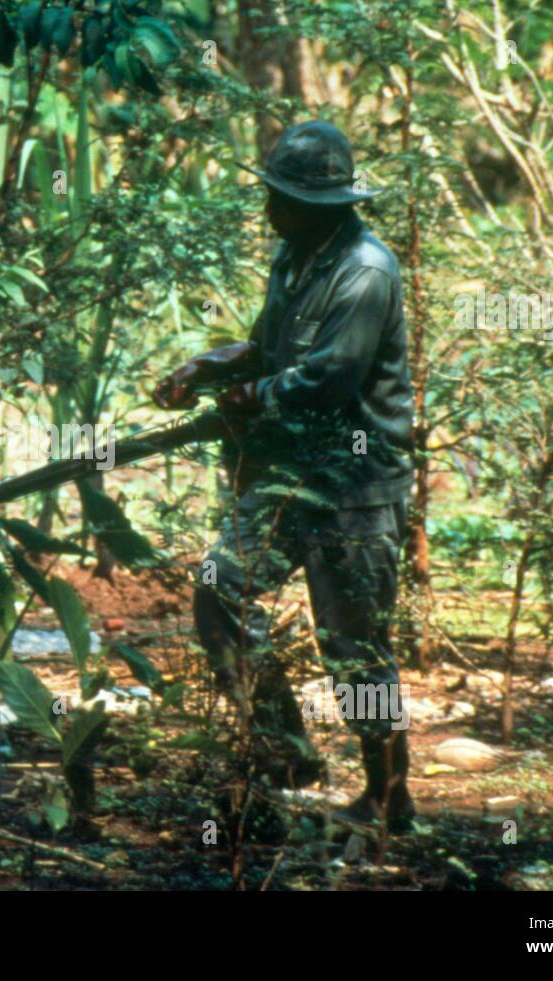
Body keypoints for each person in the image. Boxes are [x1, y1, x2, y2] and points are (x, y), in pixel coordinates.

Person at [153, 120, 416, 831]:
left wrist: (254, 396)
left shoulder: (364, 269)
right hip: (289, 473)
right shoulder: (293, 254)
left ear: (322, 205)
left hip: (354, 484)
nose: (270, 208)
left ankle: (390, 802)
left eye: (283, 197)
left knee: (356, 649)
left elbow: (328, 377)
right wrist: (215, 364)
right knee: (220, 587)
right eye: (273, 194)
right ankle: (286, 753)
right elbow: (271, 345)